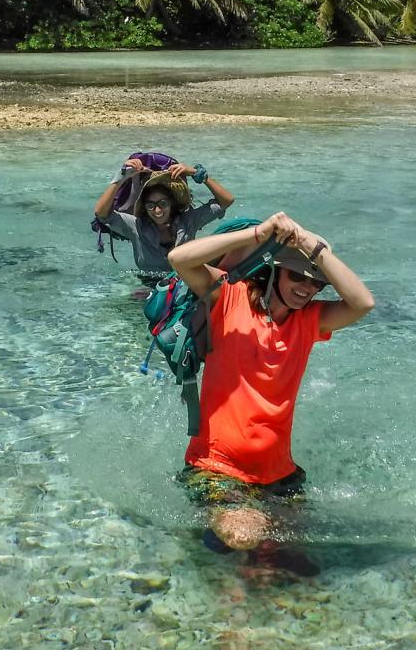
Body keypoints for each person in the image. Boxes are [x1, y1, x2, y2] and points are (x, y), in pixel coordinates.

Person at [166, 211, 375, 560]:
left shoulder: (310, 321)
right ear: (276, 269)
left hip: (280, 474)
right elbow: (179, 259)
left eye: (316, 284)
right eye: (298, 276)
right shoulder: (228, 298)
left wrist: (316, 248)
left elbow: (363, 303)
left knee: (292, 553)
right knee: (246, 535)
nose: (306, 289)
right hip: (217, 468)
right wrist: (258, 234)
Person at [93, 158, 234, 277]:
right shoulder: (136, 226)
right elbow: (102, 213)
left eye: (163, 203)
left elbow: (226, 201)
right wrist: (121, 176)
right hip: (148, 288)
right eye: (151, 205)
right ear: (144, 206)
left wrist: (198, 174)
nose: (157, 210)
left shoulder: (189, 220)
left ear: (172, 203)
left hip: (187, 285)